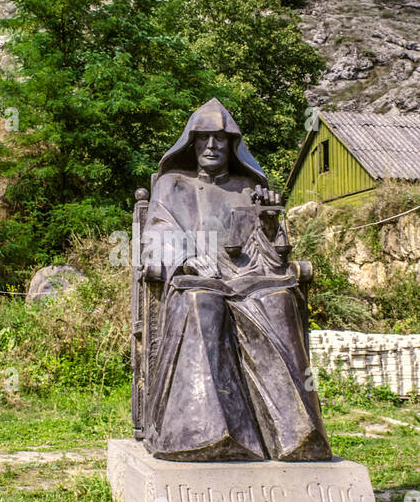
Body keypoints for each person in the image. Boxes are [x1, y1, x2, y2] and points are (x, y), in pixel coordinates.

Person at [140, 99, 332, 462]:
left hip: (246, 281)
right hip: (194, 279)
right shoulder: (171, 185)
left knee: (280, 300)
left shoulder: (249, 187)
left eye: (220, 139)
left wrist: (270, 221)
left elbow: (272, 257)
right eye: (204, 138)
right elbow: (156, 237)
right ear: (191, 143)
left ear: (232, 145)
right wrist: (184, 260)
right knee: (203, 302)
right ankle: (201, 434)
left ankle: (296, 435)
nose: (212, 146)